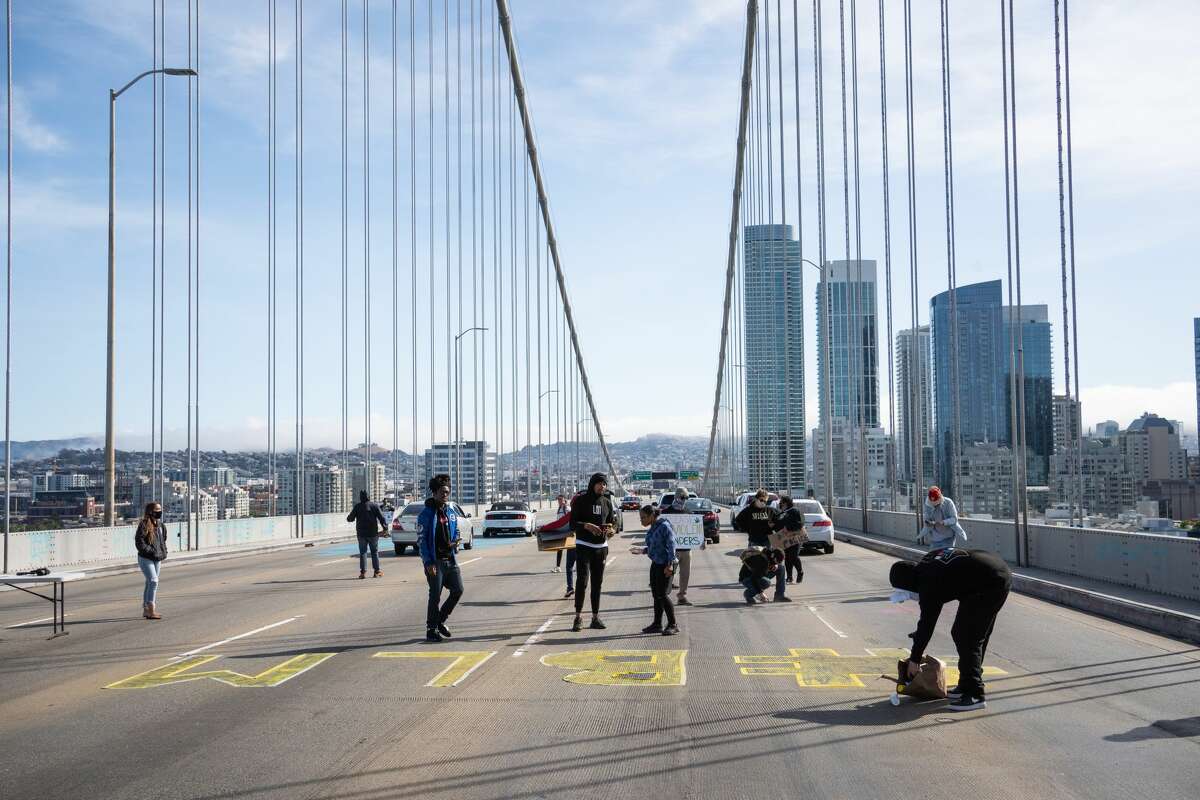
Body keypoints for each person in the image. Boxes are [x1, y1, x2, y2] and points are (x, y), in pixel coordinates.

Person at [889, 548, 1012, 711]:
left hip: (990, 582)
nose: (911, 598)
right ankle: (966, 685)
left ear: (910, 584)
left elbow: (927, 623)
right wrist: (919, 638)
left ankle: (975, 694)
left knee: (967, 637)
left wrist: (915, 659)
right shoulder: (926, 565)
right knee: (968, 634)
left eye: (908, 594)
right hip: (989, 572)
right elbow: (926, 623)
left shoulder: (928, 584)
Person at [418, 474, 464, 643]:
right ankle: (431, 629)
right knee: (435, 595)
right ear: (435, 492)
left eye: (447, 492)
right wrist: (428, 562)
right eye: (443, 492)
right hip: (435, 561)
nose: (446, 495)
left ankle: (440, 621)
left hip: (450, 559)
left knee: (458, 590)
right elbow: (421, 541)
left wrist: (455, 541)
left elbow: (456, 530)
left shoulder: (450, 511)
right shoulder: (426, 514)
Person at [569, 472, 617, 632]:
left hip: (601, 548)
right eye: (599, 483)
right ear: (592, 484)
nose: (602, 486)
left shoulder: (607, 502)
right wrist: (587, 525)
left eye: (604, 484)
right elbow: (572, 524)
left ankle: (595, 617)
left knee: (597, 583)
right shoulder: (581, 500)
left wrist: (611, 531)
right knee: (582, 581)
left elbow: (613, 524)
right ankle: (578, 617)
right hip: (584, 545)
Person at [734, 488, 787, 601]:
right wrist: (748, 529)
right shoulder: (748, 511)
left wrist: (775, 526)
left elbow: (780, 519)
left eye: (766, 501)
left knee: (774, 565)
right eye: (762, 500)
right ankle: (755, 589)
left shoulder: (769, 511)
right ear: (756, 499)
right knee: (757, 566)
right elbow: (738, 521)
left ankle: (779, 595)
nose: (763, 503)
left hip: (767, 541)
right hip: (754, 541)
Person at [636, 504, 679, 635]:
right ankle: (657, 623)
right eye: (640, 518)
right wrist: (643, 550)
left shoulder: (664, 526)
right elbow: (656, 546)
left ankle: (673, 624)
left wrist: (670, 564)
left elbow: (672, 545)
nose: (641, 520)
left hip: (665, 564)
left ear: (652, 516)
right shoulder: (654, 527)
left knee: (662, 594)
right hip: (656, 563)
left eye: (643, 517)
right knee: (656, 594)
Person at [657, 486, 694, 605]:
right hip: (672, 551)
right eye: (683, 497)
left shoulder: (688, 512)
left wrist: (701, 540)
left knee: (685, 574)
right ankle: (664, 596)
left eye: (686, 497)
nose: (684, 500)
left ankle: (682, 596)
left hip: (686, 549)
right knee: (669, 574)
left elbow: (694, 530)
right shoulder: (666, 513)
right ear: (677, 497)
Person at [134, 501, 168, 620]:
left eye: (160, 510)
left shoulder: (161, 525)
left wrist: (163, 552)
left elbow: (163, 541)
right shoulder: (143, 525)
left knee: (149, 582)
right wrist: (151, 551)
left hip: (157, 558)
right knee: (154, 581)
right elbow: (139, 543)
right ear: (150, 512)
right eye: (157, 510)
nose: (159, 512)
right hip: (145, 558)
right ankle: (151, 609)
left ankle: (145, 610)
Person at [347, 489, 389, 579]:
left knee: (363, 552)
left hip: (361, 534)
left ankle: (363, 573)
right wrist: (385, 528)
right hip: (373, 533)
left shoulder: (357, 506)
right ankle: (377, 571)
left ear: (360, 497)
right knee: (374, 552)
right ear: (369, 496)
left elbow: (350, 519)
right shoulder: (374, 506)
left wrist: (351, 517)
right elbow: (382, 518)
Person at [919, 486, 968, 550]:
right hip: (935, 538)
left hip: (948, 537)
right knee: (934, 557)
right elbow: (926, 517)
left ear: (940, 498)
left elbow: (954, 519)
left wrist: (943, 522)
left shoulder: (948, 502)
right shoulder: (928, 504)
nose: (934, 505)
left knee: (946, 557)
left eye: (936, 503)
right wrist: (928, 522)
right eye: (932, 503)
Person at [773, 495, 805, 587]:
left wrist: (789, 528)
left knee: (794, 556)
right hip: (785, 538)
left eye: (781, 502)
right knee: (787, 557)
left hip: (796, 538)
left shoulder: (795, 511)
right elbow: (780, 524)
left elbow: (800, 523)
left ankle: (800, 572)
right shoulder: (783, 513)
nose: (780, 504)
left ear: (786, 503)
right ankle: (789, 576)